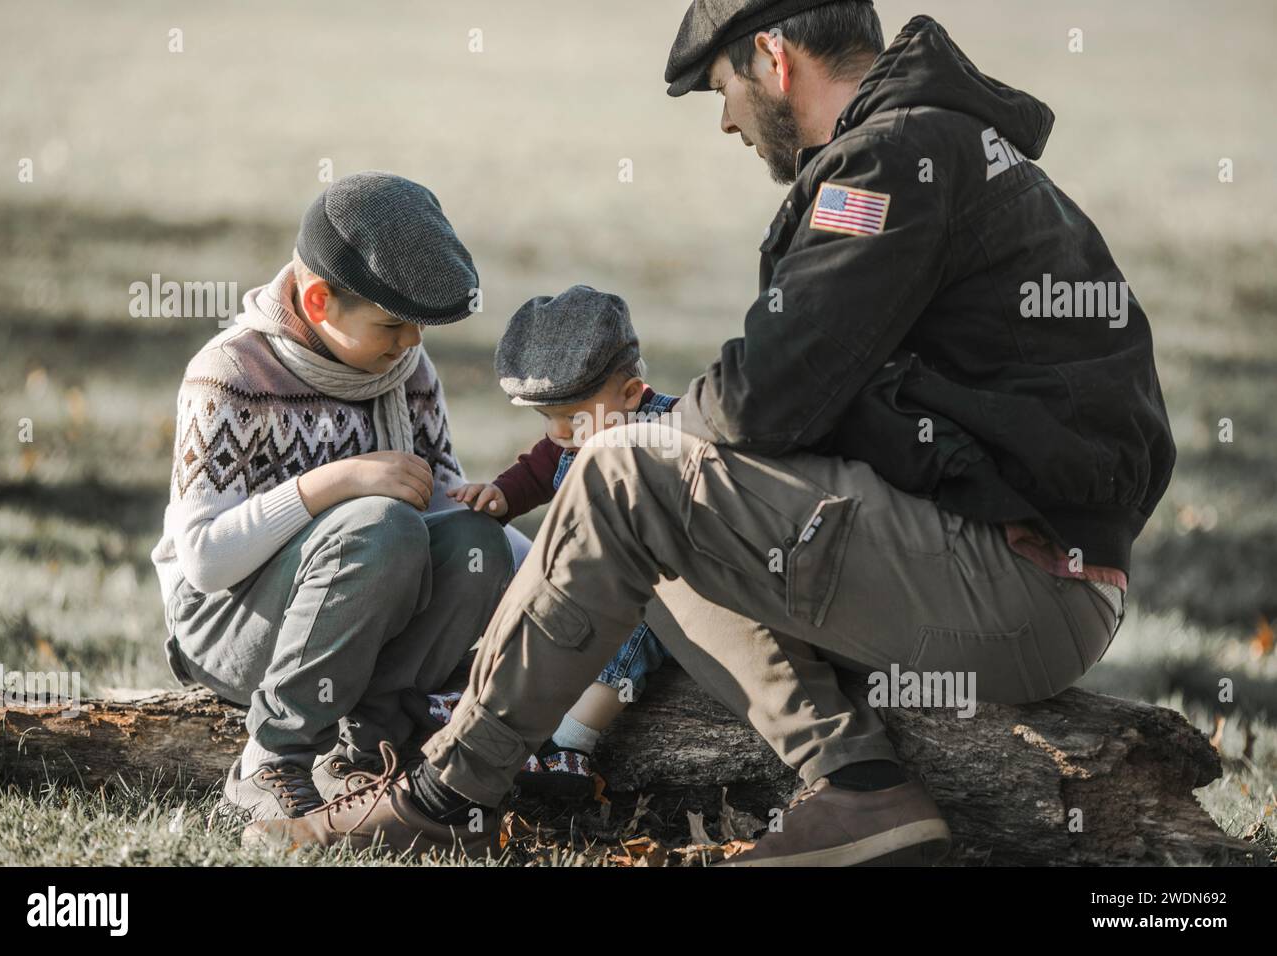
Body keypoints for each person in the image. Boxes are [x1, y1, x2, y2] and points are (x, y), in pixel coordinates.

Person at [245, 4, 1175, 866]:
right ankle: (857, 789)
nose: (727, 121)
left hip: (1016, 588)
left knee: (622, 474)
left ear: (773, 55)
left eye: (724, 92)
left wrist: (655, 443)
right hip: (1011, 573)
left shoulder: (897, 159)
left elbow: (765, 397)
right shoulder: (928, 144)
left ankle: (441, 797)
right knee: (655, 498)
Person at [151, 171, 512, 821]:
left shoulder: (403, 372)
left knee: (474, 540)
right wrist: (335, 482)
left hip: (351, 607)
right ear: (318, 302)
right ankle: (272, 759)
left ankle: (364, 745)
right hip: (227, 622)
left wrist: (550, 560)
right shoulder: (231, 372)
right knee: (380, 525)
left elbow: (438, 500)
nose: (413, 343)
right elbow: (203, 560)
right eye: (393, 324)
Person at [447, 285, 678, 800]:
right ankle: (489, 706)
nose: (558, 432)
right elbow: (536, 471)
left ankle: (573, 744)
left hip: (661, 592)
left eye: (570, 417)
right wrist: (501, 495)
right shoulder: (570, 436)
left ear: (632, 393)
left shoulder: (672, 428)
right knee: (538, 617)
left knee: (634, 637)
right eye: (545, 419)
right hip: (588, 581)